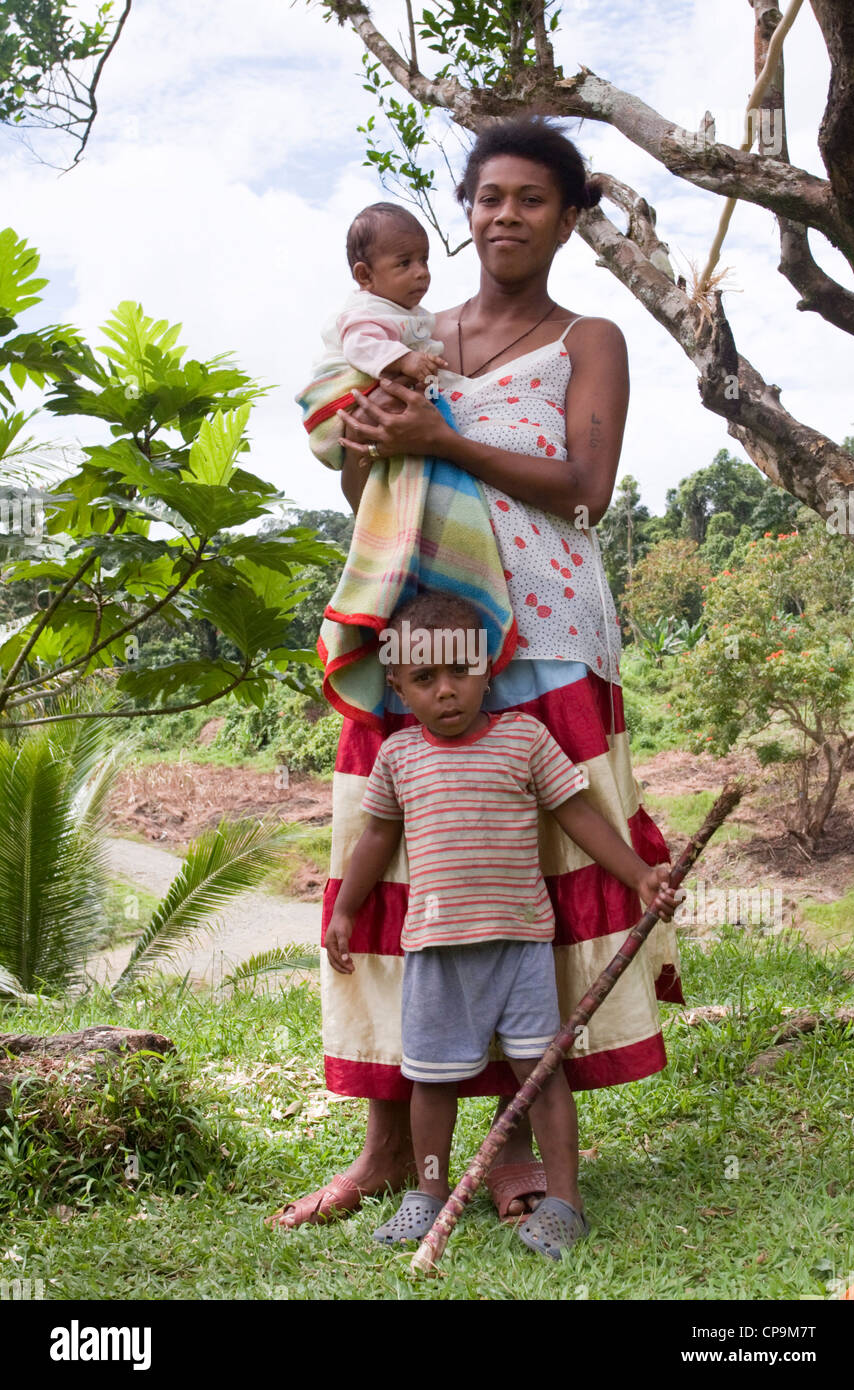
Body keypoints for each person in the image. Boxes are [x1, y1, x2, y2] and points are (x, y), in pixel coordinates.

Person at [268, 115, 684, 1233]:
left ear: (565, 217)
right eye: (488, 197)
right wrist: (367, 436)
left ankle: (511, 1160)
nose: (505, 215)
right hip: (425, 637)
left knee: (529, 890)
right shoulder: (407, 331)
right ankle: (384, 1150)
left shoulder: (585, 335)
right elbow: (366, 490)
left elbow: (581, 483)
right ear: (465, 212)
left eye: (531, 200)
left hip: (544, 631)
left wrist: (445, 439)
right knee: (407, 881)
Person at [324, 591, 678, 1258]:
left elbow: (579, 817)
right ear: (397, 684)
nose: (447, 691)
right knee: (430, 1082)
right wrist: (346, 907)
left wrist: (638, 874)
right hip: (433, 954)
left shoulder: (525, 739)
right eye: (425, 679)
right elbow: (375, 838)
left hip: (521, 950)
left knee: (541, 1075)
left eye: (460, 671)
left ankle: (566, 1202)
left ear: (488, 667)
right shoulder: (399, 756)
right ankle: (427, 1193)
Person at [314, 202, 448, 388]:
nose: (421, 272)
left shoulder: (405, 310)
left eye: (423, 260)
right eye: (404, 263)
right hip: (343, 391)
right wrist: (404, 360)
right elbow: (359, 346)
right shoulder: (366, 310)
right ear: (365, 275)